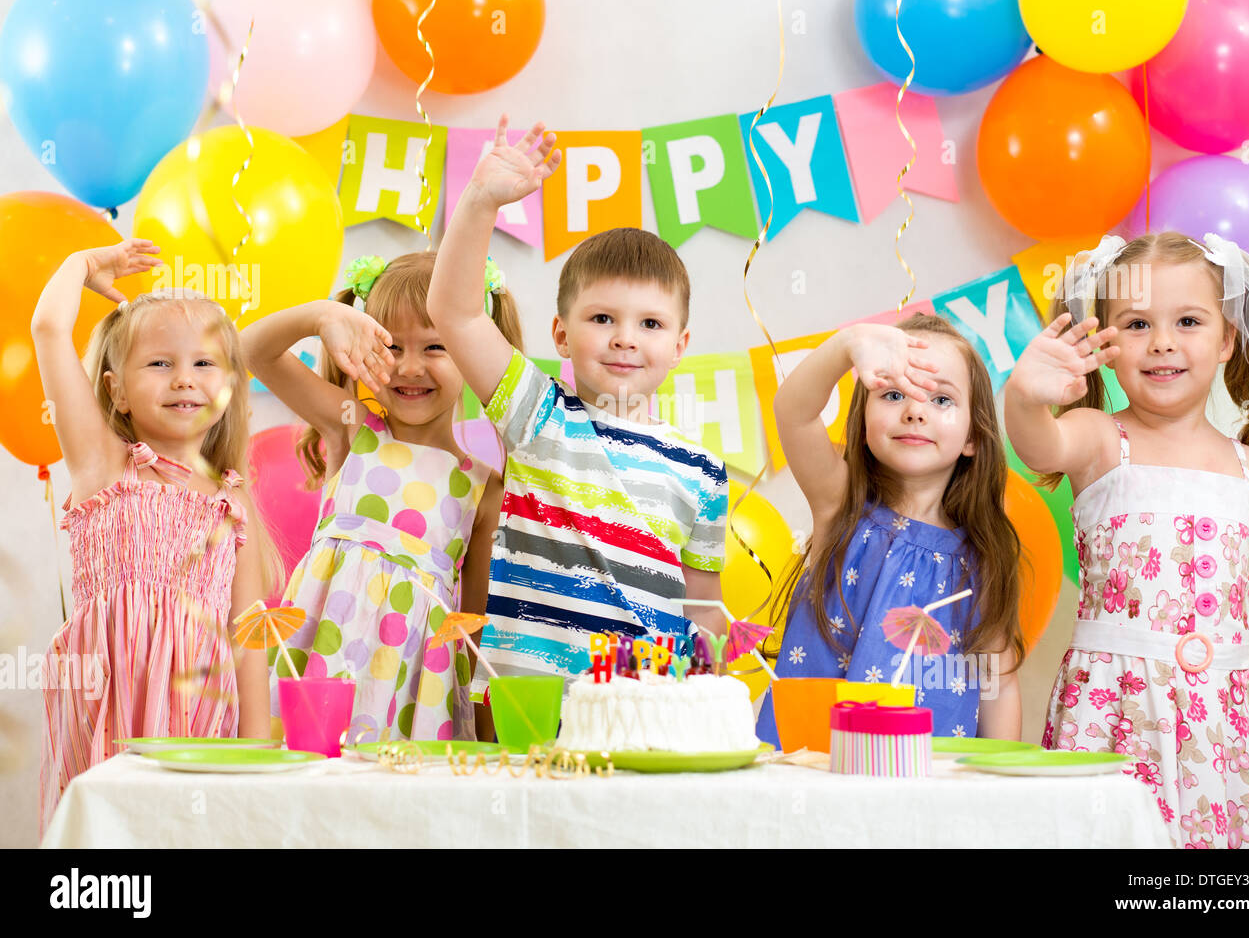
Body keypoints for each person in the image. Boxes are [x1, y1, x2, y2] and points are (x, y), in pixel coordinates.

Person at [1006, 231, 1249, 846]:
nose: (1162, 342)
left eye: (1187, 321)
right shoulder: (1097, 437)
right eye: (1137, 324)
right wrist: (1026, 395)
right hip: (1108, 712)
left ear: (1226, 340)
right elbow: (1038, 442)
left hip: (1213, 723)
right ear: (1105, 344)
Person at [427, 116, 728, 705]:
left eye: (649, 323)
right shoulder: (537, 414)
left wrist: (705, 696)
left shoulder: (703, 468)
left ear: (680, 345)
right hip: (529, 701)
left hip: (645, 709)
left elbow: (702, 605)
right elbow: (456, 312)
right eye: (602, 319)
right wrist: (481, 202)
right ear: (561, 334)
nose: (624, 338)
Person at [32, 239, 273, 831]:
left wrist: (257, 753)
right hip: (105, 706)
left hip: (201, 716)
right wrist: (81, 264)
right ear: (116, 389)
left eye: (204, 363)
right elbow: (47, 328)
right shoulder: (104, 464)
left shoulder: (230, 500)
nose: (183, 380)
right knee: (107, 847)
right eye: (160, 363)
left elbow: (249, 639)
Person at [242, 251, 517, 742]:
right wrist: (321, 315)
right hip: (320, 658)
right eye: (390, 347)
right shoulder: (351, 424)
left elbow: (476, 628)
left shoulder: (483, 486)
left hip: (413, 684)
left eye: (435, 347)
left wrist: (489, 737)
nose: (408, 368)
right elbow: (251, 351)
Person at [756, 314, 1024, 744]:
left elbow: (999, 683)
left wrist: (1000, 788)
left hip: (929, 779)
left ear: (973, 435)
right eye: (894, 393)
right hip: (815, 763)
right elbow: (793, 411)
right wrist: (848, 344)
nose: (916, 411)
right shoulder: (839, 504)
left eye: (941, 400)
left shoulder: (983, 557)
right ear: (862, 423)